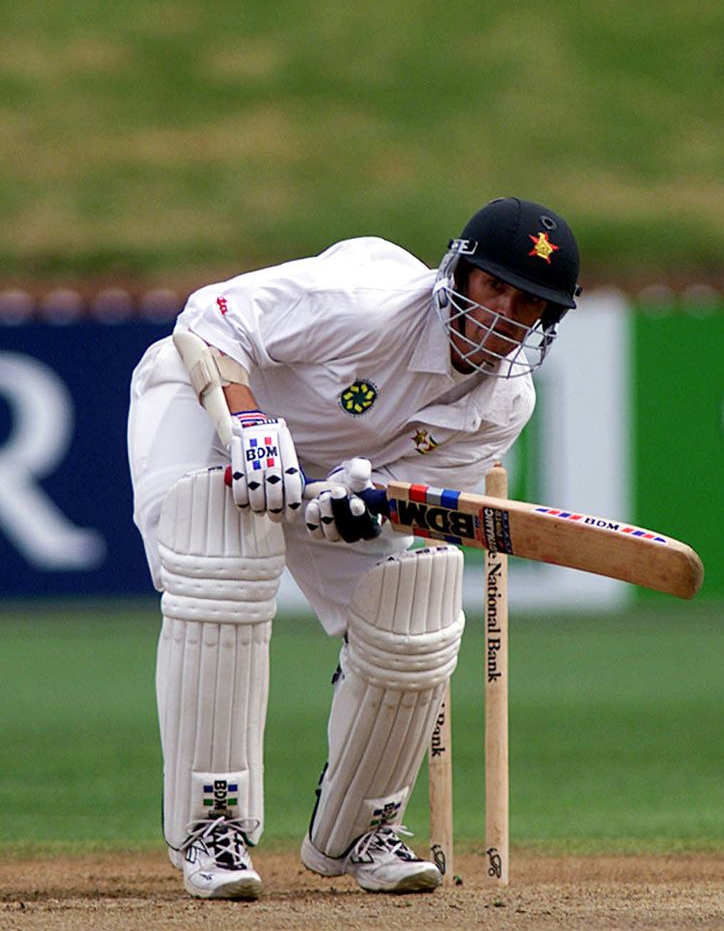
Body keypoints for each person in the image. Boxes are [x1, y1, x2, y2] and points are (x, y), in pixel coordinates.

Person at [127, 195, 580, 900]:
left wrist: (356, 512)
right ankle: (210, 827)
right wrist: (246, 422)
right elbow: (208, 316)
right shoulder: (365, 303)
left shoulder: (504, 403)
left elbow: (411, 505)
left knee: (419, 592)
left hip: (329, 476)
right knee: (224, 555)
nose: (504, 315)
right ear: (459, 274)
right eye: (496, 287)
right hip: (208, 412)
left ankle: (360, 828)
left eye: (529, 306)